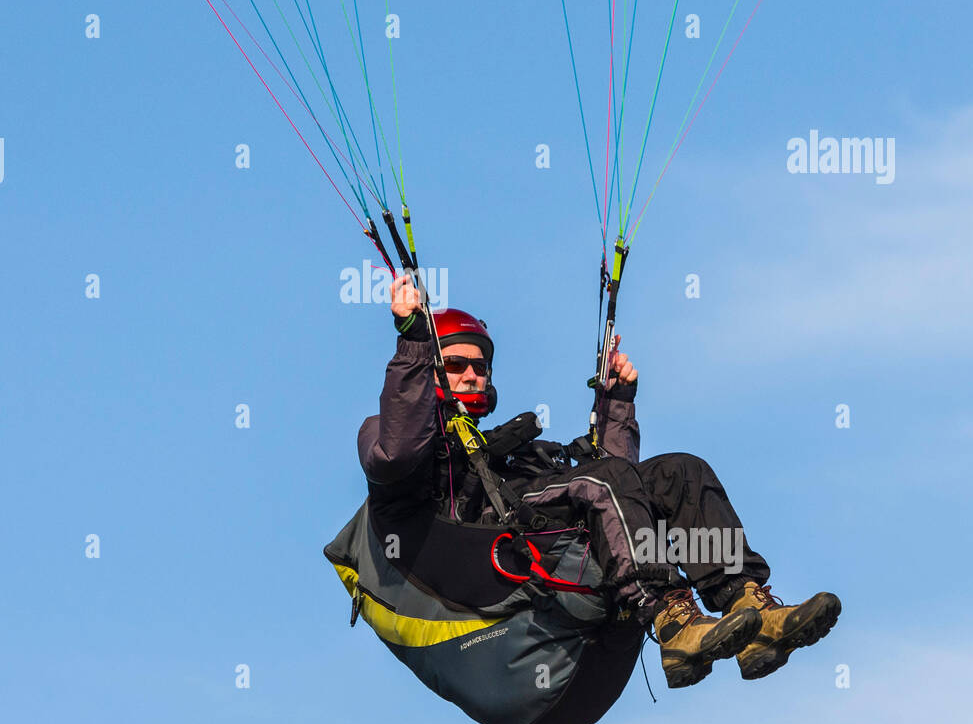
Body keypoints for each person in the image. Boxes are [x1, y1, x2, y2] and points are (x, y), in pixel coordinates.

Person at [359, 273, 841, 689]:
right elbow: (400, 449)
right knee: (602, 480)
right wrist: (415, 342)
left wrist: (616, 404)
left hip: (538, 518)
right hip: (481, 541)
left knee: (680, 471)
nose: (471, 375)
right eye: (456, 365)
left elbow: (620, 484)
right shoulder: (388, 438)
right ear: (431, 369)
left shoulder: (509, 454)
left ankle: (748, 606)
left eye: (479, 367)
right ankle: (670, 621)